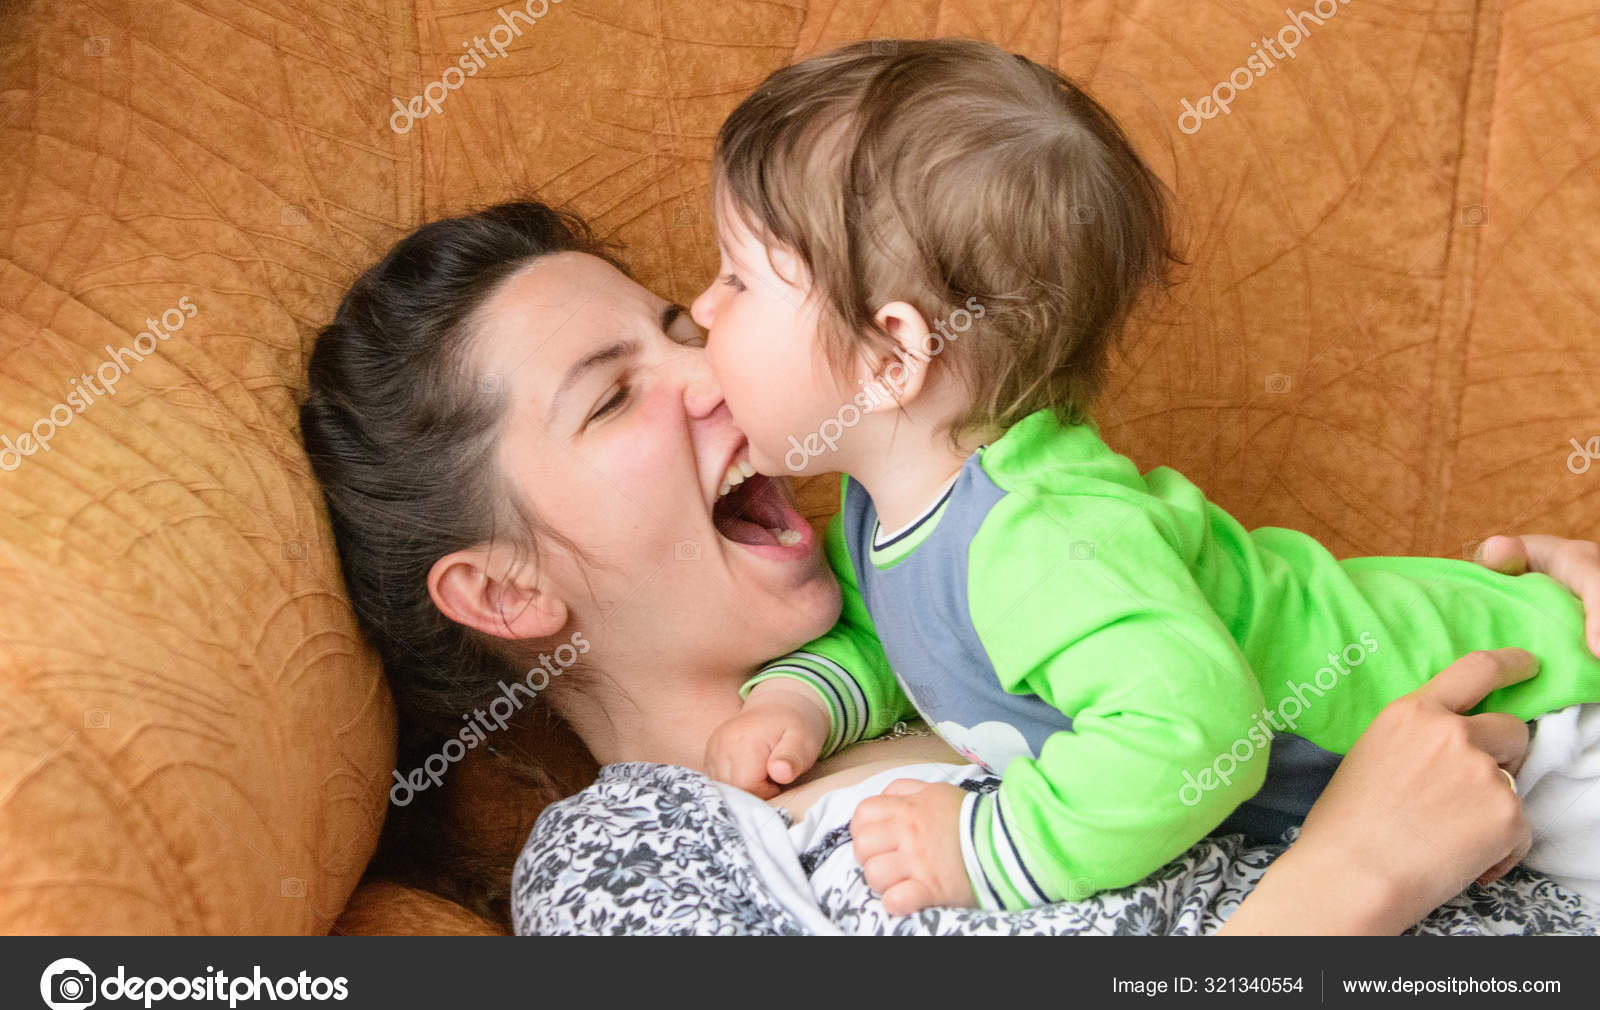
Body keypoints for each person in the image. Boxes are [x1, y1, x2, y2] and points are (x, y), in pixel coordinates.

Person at [298, 199, 1594, 934]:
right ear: (509, 592)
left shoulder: (958, 605)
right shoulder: (624, 864)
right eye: (611, 399)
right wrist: (1356, 876)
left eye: (688, 328)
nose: (713, 375)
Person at [690, 38, 1600, 913]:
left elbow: (1195, 736)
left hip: (1542, 712)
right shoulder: (884, 509)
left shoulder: (1040, 533)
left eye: (736, 279)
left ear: (891, 357)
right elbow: (915, 644)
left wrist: (989, 846)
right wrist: (806, 698)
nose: (700, 307)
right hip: (1461, 760)